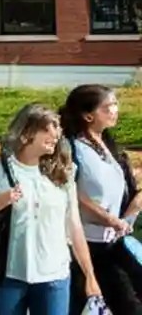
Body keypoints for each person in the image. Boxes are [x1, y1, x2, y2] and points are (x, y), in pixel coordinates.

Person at [0, 104, 102, 314]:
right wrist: (3, 199)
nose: (56, 134)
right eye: (47, 129)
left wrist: (89, 275)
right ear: (25, 133)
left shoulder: (63, 171)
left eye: (57, 127)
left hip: (54, 276)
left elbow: (74, 226)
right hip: (7, 275)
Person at [61, 85, 142, 315]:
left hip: (113, 242)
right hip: (84, 244)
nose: (115, 110)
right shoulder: (72, 148)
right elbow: (72, 193)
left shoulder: (108, 146)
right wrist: (106, 217)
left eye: (115, 105)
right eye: (108, 107)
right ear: (88, 116)